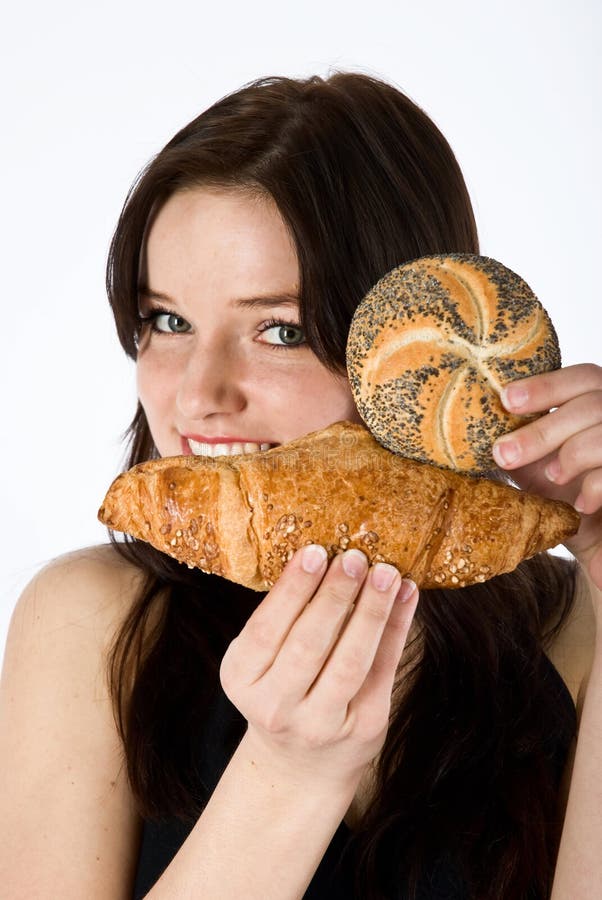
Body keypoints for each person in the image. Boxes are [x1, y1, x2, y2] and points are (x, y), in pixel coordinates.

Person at [1, 72, 600, 900]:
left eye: (279, 330)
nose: (198, 395)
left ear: (420, 350)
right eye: (167, 321)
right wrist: (289, 773)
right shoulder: (88, 623)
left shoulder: (576, 633)